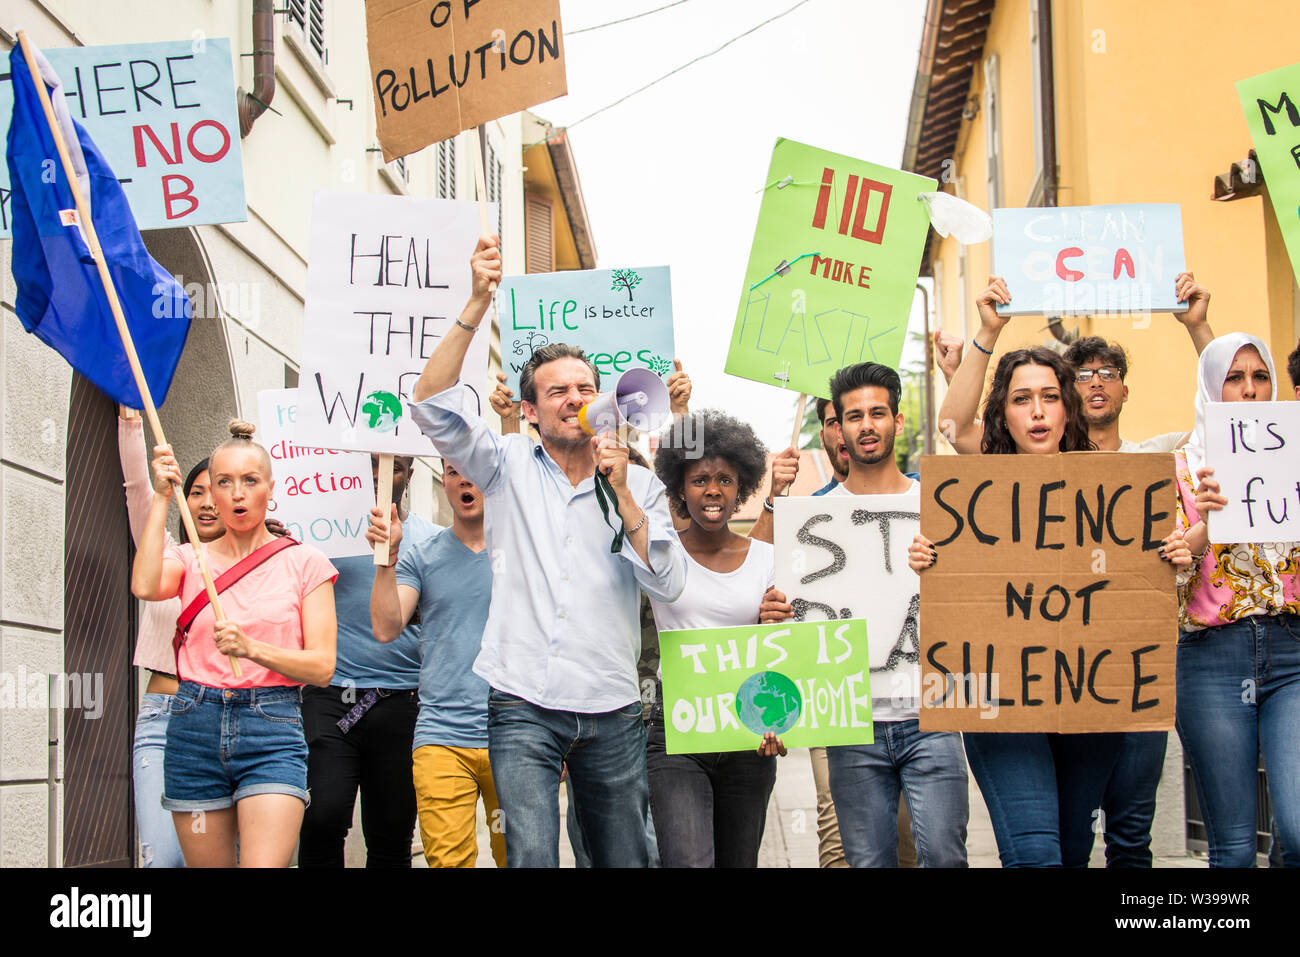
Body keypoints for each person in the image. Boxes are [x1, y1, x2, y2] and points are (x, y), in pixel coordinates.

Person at [407, 236, 686, 868]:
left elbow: (668, 584)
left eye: (585, 387)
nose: (573, 397)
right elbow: (427, 404)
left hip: (612, 706)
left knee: (623, 858)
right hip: (521, 701)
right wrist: (477, 303)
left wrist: (622, 492)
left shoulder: (638, 483)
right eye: (556, 390)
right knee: (531, 855)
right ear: (530, 410)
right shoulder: (502, 465)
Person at [910, 348, 1191, 867]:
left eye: (1049, 397)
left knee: (1072, 853)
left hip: (1091, 701)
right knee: (1037, 856)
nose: (1037, 411)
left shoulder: (1117, 490)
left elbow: (1132, 581)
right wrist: (930, 556)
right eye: (1021, 399)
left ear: (1069, 409)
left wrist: (1174, 550)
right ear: (1003, 415)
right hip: (1002, 706)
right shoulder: (975, 490)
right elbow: (951, 423)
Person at [131, 420, 338, 867]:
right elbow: (145, 584)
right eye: (223, 483)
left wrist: (252, 649)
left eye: (250, 481)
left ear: (270, 489)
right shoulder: (190, 559)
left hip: (272, 725)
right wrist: (162, 498)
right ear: (212, 494)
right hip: (193, 722)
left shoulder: (305, 562)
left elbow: (322, 666)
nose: (237, 493)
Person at [820, 362, 970, 868]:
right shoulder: (816, 516)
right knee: (868, 862)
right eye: (854, 416)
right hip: (853, 724)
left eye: (878, 413)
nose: (867, 425)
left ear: (897, 422)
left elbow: (981, 590)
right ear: (838, 428)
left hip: (934, 714)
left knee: (946, 857)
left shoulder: (940, 502)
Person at [1171, 333, 1299, 868]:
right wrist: (1206, 524)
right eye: (1235, 377)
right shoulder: (1177, 468)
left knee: (1296, 828)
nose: (1249, 390)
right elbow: (1163, 579)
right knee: (1233, 847)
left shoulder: (1293, 454)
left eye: (1260, 376)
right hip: (1211, 658)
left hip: (1292, 652)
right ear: (1210, 386)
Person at [647, 409, 791, 867]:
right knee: (687, 859)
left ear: (741, 487)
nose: (713, 490)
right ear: (679, 489)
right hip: (675, 733)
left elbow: (785, 650)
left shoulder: (769, 558)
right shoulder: (658, 553)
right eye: (700, 480)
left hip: (750, 733)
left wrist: (780, 621)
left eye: (725, 480)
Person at [298, 454, 438, 868]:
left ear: (409, 476)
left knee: (391, 832)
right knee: (321, 817)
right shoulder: (319, 533)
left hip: (403, 700)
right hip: (331, 694)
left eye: (392, 466)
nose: (378, 475)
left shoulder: (432, 540)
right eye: (370, 463)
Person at [367, 460, 505, 868]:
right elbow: (386, 627)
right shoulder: (420, 556)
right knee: (448, 862)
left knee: (519, 856)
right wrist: (387, 559)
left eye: (472, 469)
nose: (464, 478)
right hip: (441, 736)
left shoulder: (525, 551)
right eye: (451, 471)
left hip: (515, 734)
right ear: (443, 482)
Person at [938, 272, 1214, 454]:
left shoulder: (1155, 457)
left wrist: (1197, 326)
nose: (1096, 382)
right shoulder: (1026, 454)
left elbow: (1226, 429)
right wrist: (988, 330)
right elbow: (956, 427)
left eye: (1108, 373)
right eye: (1083, 376)